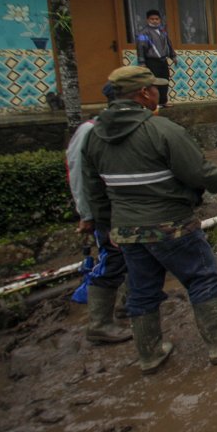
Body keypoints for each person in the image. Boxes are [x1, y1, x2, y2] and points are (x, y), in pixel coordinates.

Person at [80, 65, 217, 374]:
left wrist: (106, 227)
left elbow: (95, 188)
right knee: (201, 276)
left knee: (141, 288)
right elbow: (197, 171)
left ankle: (149, 353)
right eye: (155, 88)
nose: (159, 93)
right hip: (170, 224)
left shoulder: (94, 136)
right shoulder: (161, 130)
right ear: (144, 93)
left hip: (127, 230)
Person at [65, 82, 130, 344]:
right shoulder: (90, 131)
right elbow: (79, 175)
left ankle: (130, 303)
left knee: (135, 255)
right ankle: (100, 324)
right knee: (113, 259)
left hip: (127, 210)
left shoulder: (127, 127)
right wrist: (86, 214)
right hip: (107, 212)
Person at [135, 9, 177, 107]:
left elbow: (168, 44)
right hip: (151, 61)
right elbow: (140, 47)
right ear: (147, 20)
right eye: (152, 19)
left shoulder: (163, 31)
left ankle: (163, 102)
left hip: (163, 60)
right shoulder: (144, 33)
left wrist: (173, 56)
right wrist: (142, 62)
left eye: (156, 19)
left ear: (160, 20)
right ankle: (154, 103)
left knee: (165, 81)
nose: (154, 21)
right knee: (153, 83)